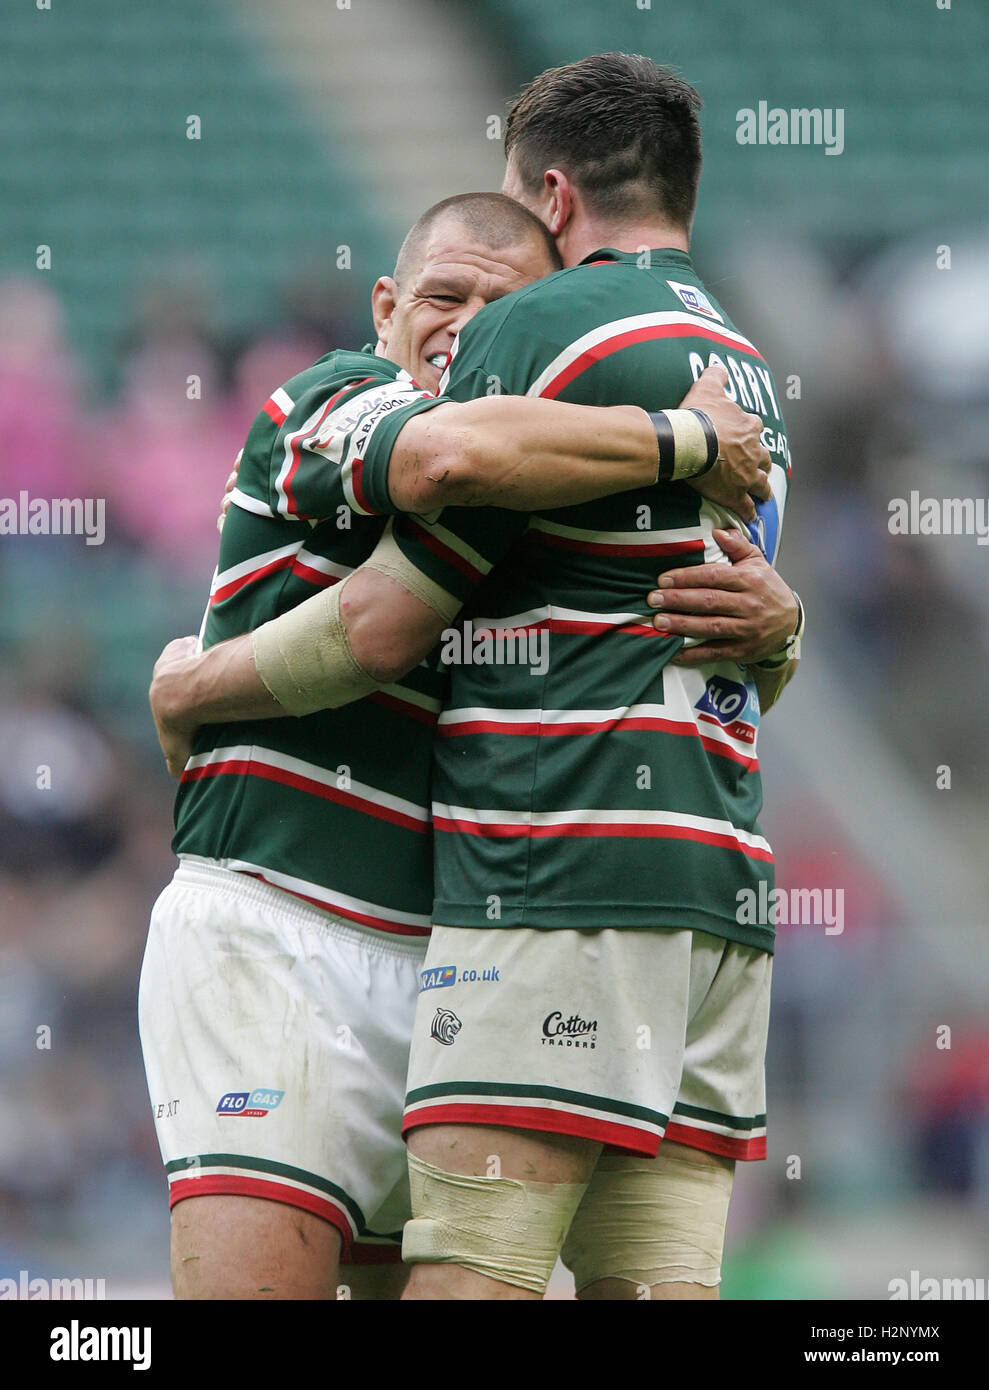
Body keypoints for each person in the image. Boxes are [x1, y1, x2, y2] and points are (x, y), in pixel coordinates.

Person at [141, 189, 772, 1300]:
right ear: (385, 304)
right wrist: (680, 437)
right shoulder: (330, 400)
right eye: (442, 295)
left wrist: (783, 624)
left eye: (498, 307)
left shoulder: (549, 487)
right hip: (277, 927)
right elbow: (436, 468)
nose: (463, 323)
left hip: (453, 962)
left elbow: (702, 631)